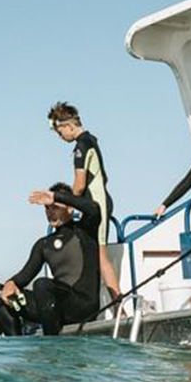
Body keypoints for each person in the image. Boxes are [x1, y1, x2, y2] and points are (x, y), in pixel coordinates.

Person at [0, 183, 101, 336]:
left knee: (42, 285)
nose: (50, 212)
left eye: (55, 207)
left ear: (70, 208)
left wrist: (55, 196)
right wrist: (10, 284)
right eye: (47, 208)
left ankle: (51, 345)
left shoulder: (85, 231)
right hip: (53, 307)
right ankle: (15, 343)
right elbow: (24, 276)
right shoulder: (43, 245)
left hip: (82, 307)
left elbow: (94, 208)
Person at [47, 102, 122, 301]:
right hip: (92, 204)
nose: (60, 137)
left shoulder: (81, 146)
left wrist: (69, 205)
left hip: (98, 204)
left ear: (68, 126)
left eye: (59, 132)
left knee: (101, 257)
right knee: (91, 253)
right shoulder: (90, 140)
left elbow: (79, 185)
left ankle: (118, 307)